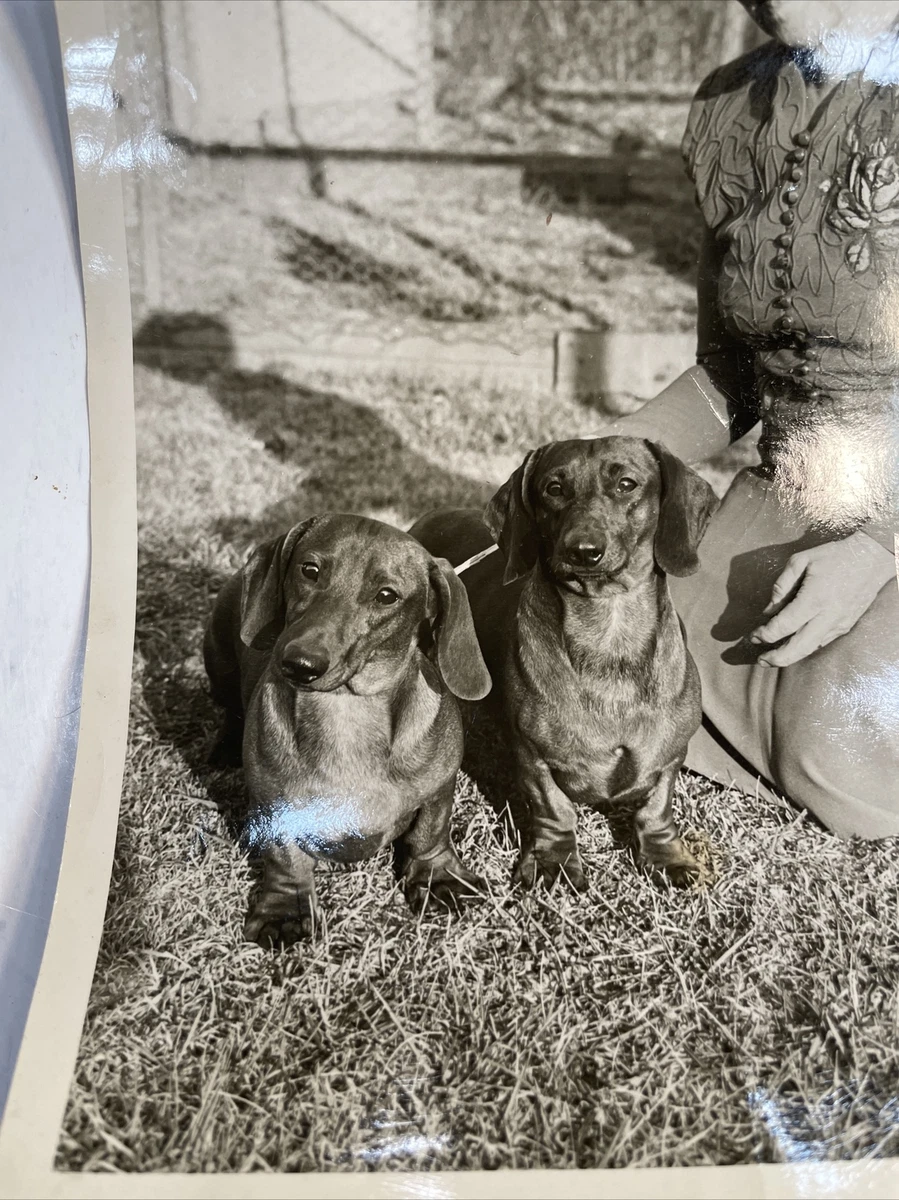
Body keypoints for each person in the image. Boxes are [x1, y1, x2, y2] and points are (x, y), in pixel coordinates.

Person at [602, 0, 899, 837]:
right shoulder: (729, 105)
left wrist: (879, 542)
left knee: (837, 739)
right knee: (599, 638)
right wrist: (607, 465)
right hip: (784, 504)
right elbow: (730, 370)